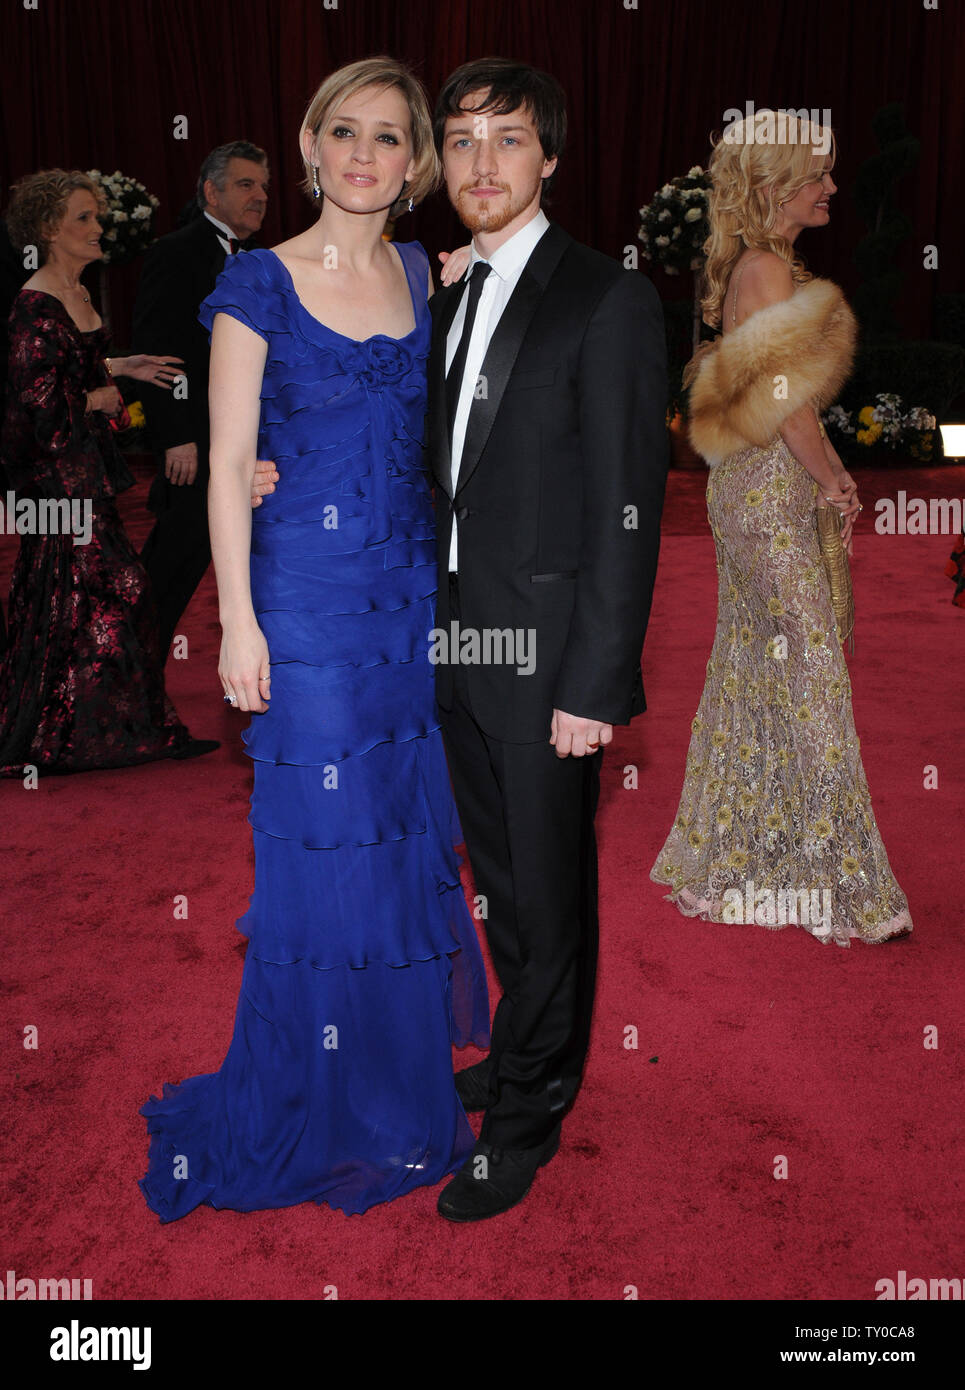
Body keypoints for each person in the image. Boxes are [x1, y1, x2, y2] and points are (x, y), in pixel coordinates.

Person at [139, 58, 490, 1223]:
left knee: (396, 840)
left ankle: (391, 1094)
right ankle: (317, 1098)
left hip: (406, 599)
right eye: (342, 130)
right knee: (328, 848)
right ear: (308, 141)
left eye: (387, 138)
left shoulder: (414, 271)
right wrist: (236, 622)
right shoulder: (255, 284)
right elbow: (229, 467)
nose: (360, 154)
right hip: (301, 598)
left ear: (414, 163)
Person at [428, 59, 668, 1221]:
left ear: (549, 159)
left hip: (549, 654)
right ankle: (525, 1043)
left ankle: (527, 1115)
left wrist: (596, 679)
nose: (482, 162)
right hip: (459, 648)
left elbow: (632, 501)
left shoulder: (603, 296)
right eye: (462, 139)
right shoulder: (449, 291)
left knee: (551, 888)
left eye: (507, 140)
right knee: (505, 883)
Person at [650, 112, 912, 947]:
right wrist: (830, 475)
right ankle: (838, 878)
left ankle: (750, 855)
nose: (831, 187)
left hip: (760, 487)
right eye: (817, 174)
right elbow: (777, 401)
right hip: (766, 492)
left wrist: (827, 471)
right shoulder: (762, 269)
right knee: (811, 673)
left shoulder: (761, 264)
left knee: (761, 666)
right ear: (772, 181)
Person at [0, 170, 216, 775]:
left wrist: (123, 366)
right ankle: (86, 734)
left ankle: (92, 731)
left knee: (70, 603)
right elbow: (33, 408)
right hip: (57, 484)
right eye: (84, 219)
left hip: (85, 478)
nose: (99, 229)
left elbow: (69, 362)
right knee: (116, 593)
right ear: (49, 230)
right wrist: (99, 396)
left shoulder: (79, 293)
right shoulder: (34, 303)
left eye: (98, 217)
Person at [132, 142, 269, 661]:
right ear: (211, 192)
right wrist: (176, 437)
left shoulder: (258, 260)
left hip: (247, 451)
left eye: (263, 187)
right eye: (245, 185)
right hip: (197, 447)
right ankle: (128, 686)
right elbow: (156, 351)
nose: (259, 197)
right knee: (170, 572)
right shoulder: (177, 251)